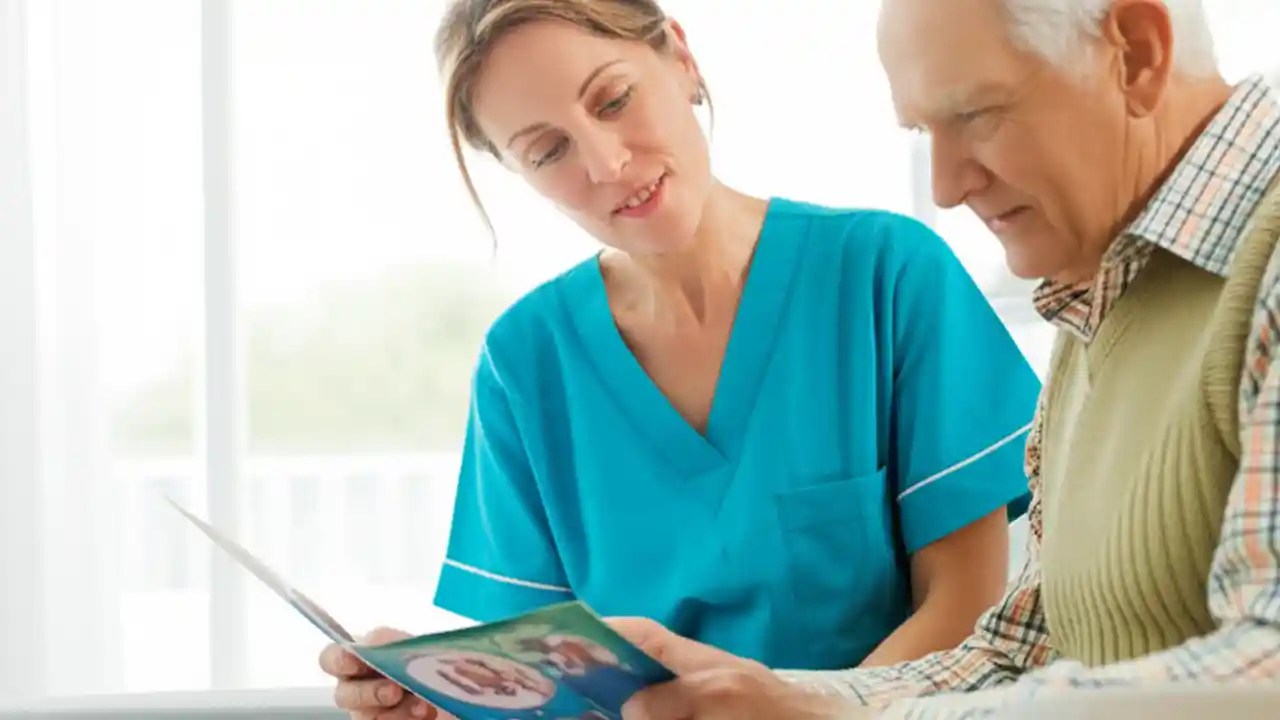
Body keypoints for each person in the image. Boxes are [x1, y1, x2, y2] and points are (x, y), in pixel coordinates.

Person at [320, 0, 1041, 716]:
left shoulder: (885, 276)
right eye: (548, 151)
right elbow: (550, 691)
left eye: (613, 99)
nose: (606, 163)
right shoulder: (525, 363)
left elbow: (966, 616)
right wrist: (436, 695)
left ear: (682, 60)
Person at [587, 0, 1280, 718]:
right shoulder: (1102, 292)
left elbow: (1264, 673)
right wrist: (766, 697)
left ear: (1136, 54)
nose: (947, 187)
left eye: (976, 114)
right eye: (925, 132)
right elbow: (1021, 654)